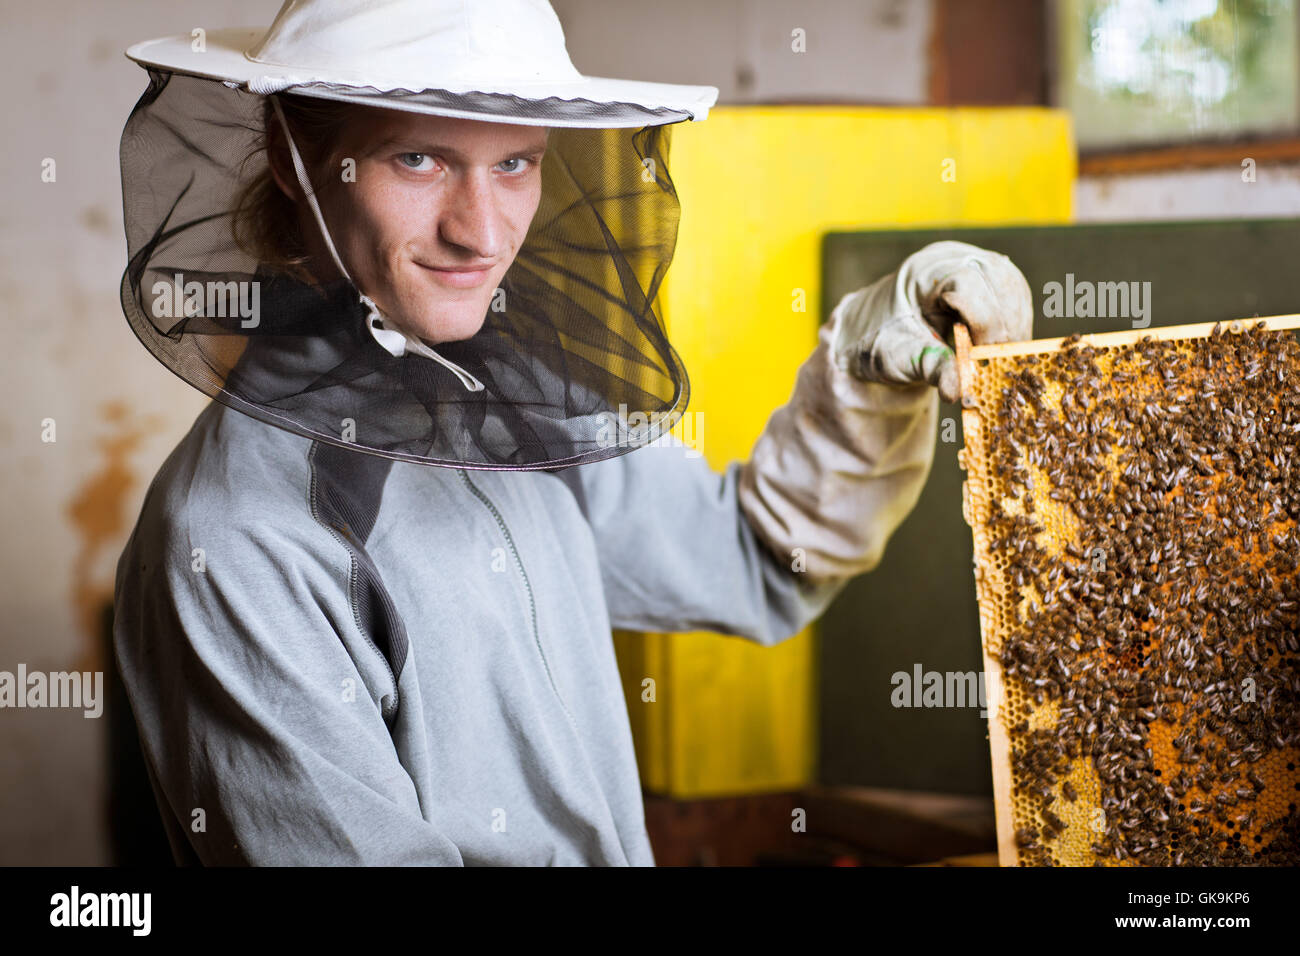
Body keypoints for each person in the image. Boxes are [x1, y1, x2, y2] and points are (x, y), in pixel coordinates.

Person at [112, 0, 1033, 866]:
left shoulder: (519, 403)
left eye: (515, 162)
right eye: (419, 159)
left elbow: (754, 563)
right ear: (293, 158)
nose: (481, 233)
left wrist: (866, 375)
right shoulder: (233, 539)